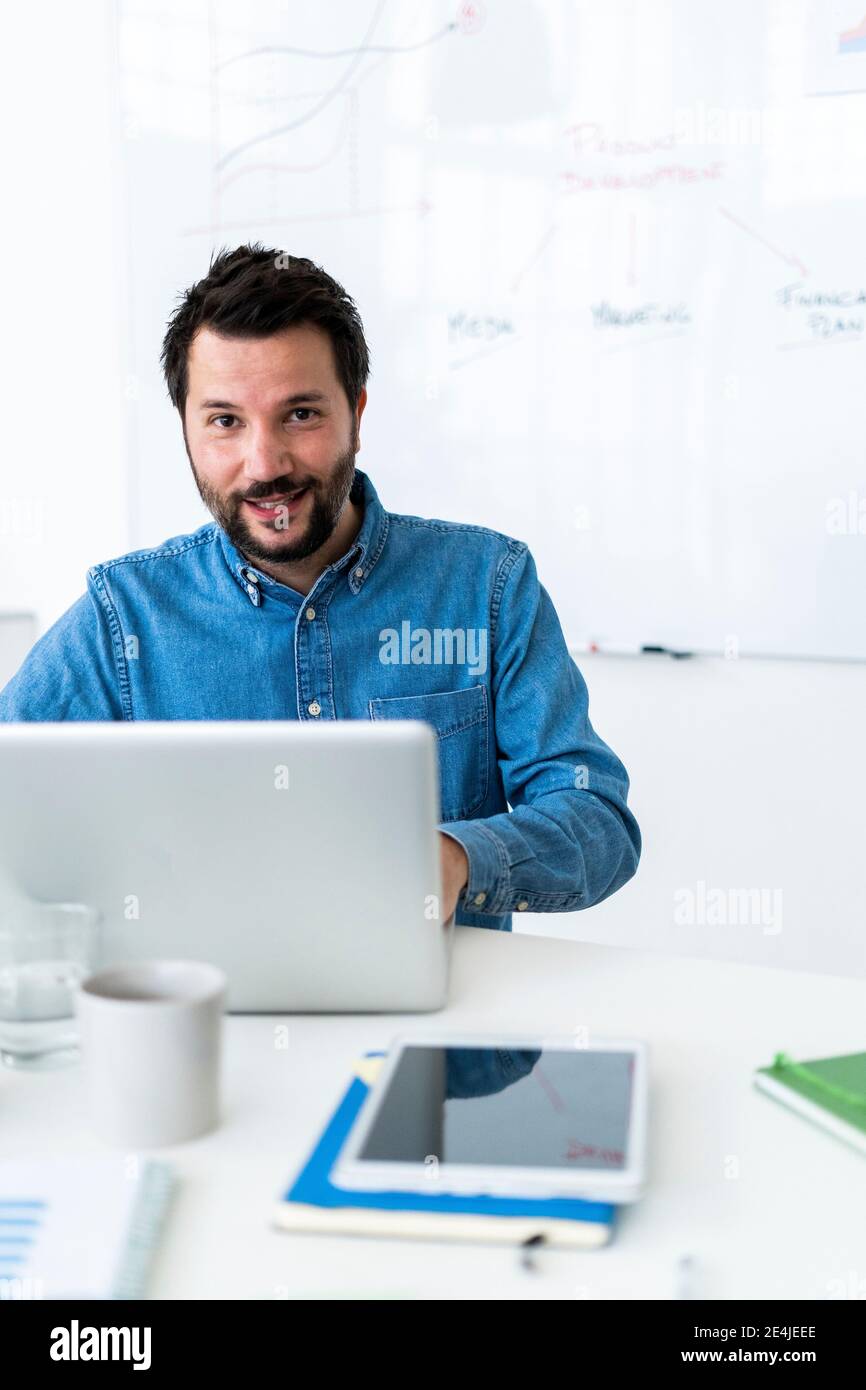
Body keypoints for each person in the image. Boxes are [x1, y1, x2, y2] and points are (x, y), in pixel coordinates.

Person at [0, 244, 640, 929]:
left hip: (450, 1026)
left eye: (301, 414)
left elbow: (596, 821)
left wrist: (458, 858)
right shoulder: (123, 617)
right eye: (225, 421)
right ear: (185, 429)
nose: (265, 463)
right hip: (208, 1027)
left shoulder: (486, 586)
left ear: (356, 415)